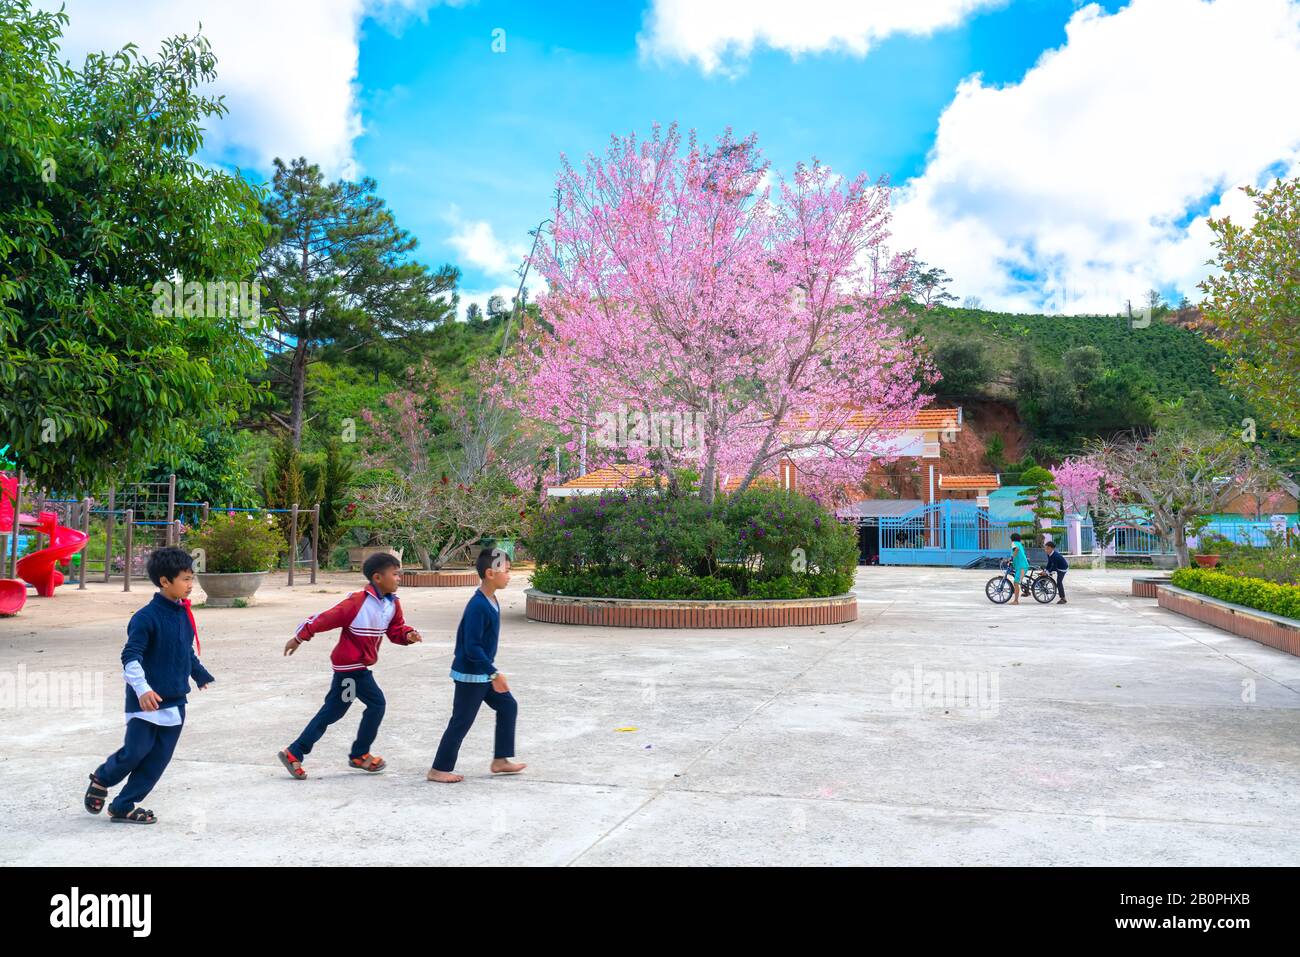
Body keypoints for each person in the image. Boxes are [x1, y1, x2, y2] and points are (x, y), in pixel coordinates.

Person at [84, 547, 214, 824]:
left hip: (175, 700)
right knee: (136, 752)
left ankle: (123, 805)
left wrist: (199, 673)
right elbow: (130, 656)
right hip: (146, 701)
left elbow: (185, 650)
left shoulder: (183, 614)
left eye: (192, 579)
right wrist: (142, 689)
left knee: (158, 760)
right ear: (165, 581)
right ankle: (102, 778)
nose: (191, 585)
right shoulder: (145, 618)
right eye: (186, 579)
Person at [278, 553, 421, 778]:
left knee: (333, 711)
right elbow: (324, 619)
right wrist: (298, 638)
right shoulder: (357, 602)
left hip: (355, 668)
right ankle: (359, 754)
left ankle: (295, 752)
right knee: (376, 704)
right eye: (395, 574)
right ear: (378, 577)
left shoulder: (392, 604)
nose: (399, 578)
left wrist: (408, 635)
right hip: (351, 668)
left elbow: (395, 629)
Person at [428, 547, 526, 783]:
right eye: (507, 570)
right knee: (461, 721)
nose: (509, 575)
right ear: (491, 573)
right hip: (471, 675)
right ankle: (438, 769)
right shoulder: (478, 606)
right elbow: (471, 648)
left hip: (482, 673)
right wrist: (494, 674)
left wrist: (490, 673)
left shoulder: (491, 599)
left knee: (508, 706)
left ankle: (500, 760)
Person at [1008, 532, 1030, 605]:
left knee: (1016, 583)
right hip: (1022, 565)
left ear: (1012, 539)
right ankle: (1027, 591)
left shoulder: (1014, 543)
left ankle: (1016, 601)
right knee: (1017, 581)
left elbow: (1016, 550)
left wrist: (1011, 558)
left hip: (1022, 566)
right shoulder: (1019, 543)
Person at [1044, 540, 1069, 604]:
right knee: (1045, 573)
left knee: (1059, 582)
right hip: (1057, 567)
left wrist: (1047, 572)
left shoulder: (1055, 555)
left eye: (1048, 549)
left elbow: (1054, 567)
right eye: (1045, 548)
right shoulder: (1049, 554)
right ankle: (1042, 584)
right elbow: (1049, 563)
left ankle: (1063, 598)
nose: (1046, 550)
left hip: (1062, 568)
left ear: (1052, 549)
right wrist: (1045, 570)